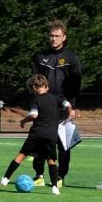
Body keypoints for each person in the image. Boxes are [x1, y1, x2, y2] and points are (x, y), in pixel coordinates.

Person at [32, 20, 83, 182]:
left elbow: (76, 84)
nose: (54, 39)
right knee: (41, 141)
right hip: (44, 107)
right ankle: (39, 174)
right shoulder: (39, 57)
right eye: (51, 36)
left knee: (63, 145)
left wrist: (73, 106)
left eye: (57, 36)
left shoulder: (71, 58)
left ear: (64, 37)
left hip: (64, 108)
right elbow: (35, 82)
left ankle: (60, 175)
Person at [0, 73, 66, 193]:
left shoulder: (35, 99)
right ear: (46, 86)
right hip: (51, 134)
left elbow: (34, 115)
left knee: (22, 155)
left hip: (37, 133)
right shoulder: (56, 98)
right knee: (51, 160)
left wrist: (24, 120)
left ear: (34, 88)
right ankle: (55, 187)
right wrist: (71, 113)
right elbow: (68, 104)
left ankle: (5, 178)